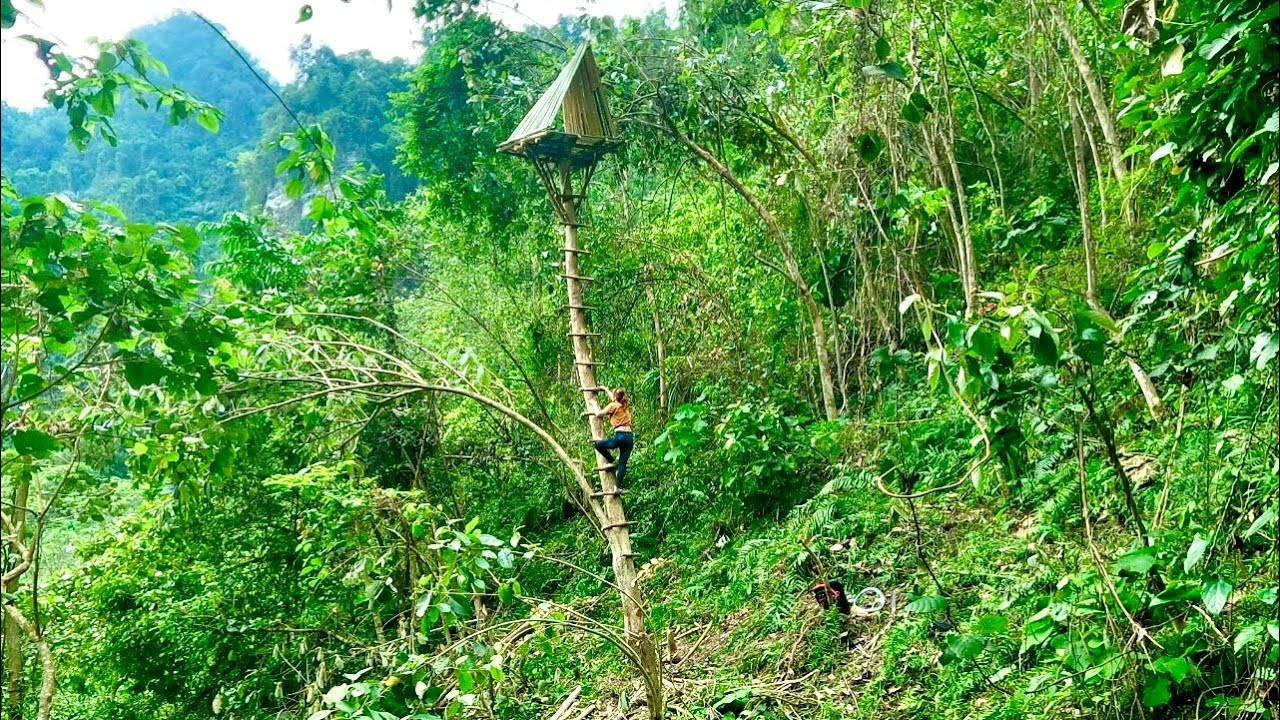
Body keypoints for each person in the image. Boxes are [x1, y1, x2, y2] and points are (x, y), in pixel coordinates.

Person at [592, 387, 634, 486]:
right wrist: (605, 389)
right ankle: (617, 487)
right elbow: (614, 397)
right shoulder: (624, 406)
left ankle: (611, 460)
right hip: (629, 437)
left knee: (598, 445)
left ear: (615, 397)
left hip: (620, 436)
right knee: (622, 463)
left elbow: (598, 414)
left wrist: (594, 404)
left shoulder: (613, 405)